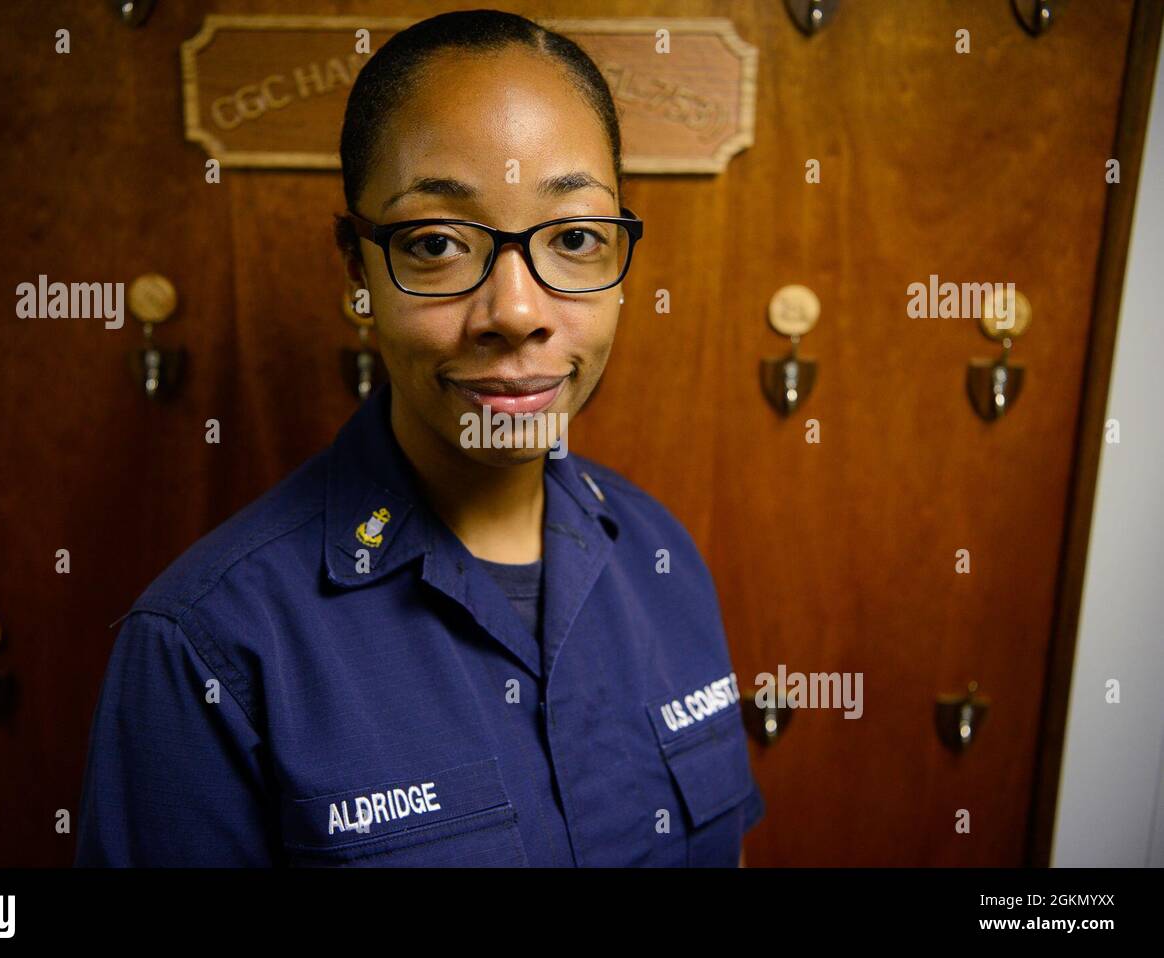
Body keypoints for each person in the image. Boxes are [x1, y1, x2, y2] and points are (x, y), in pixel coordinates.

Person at [75, 8, 764, 867]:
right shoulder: (207, 647)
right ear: (356, 270)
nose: (515, 312)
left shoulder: (663, 559)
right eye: (436, 243)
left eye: (576, 237)